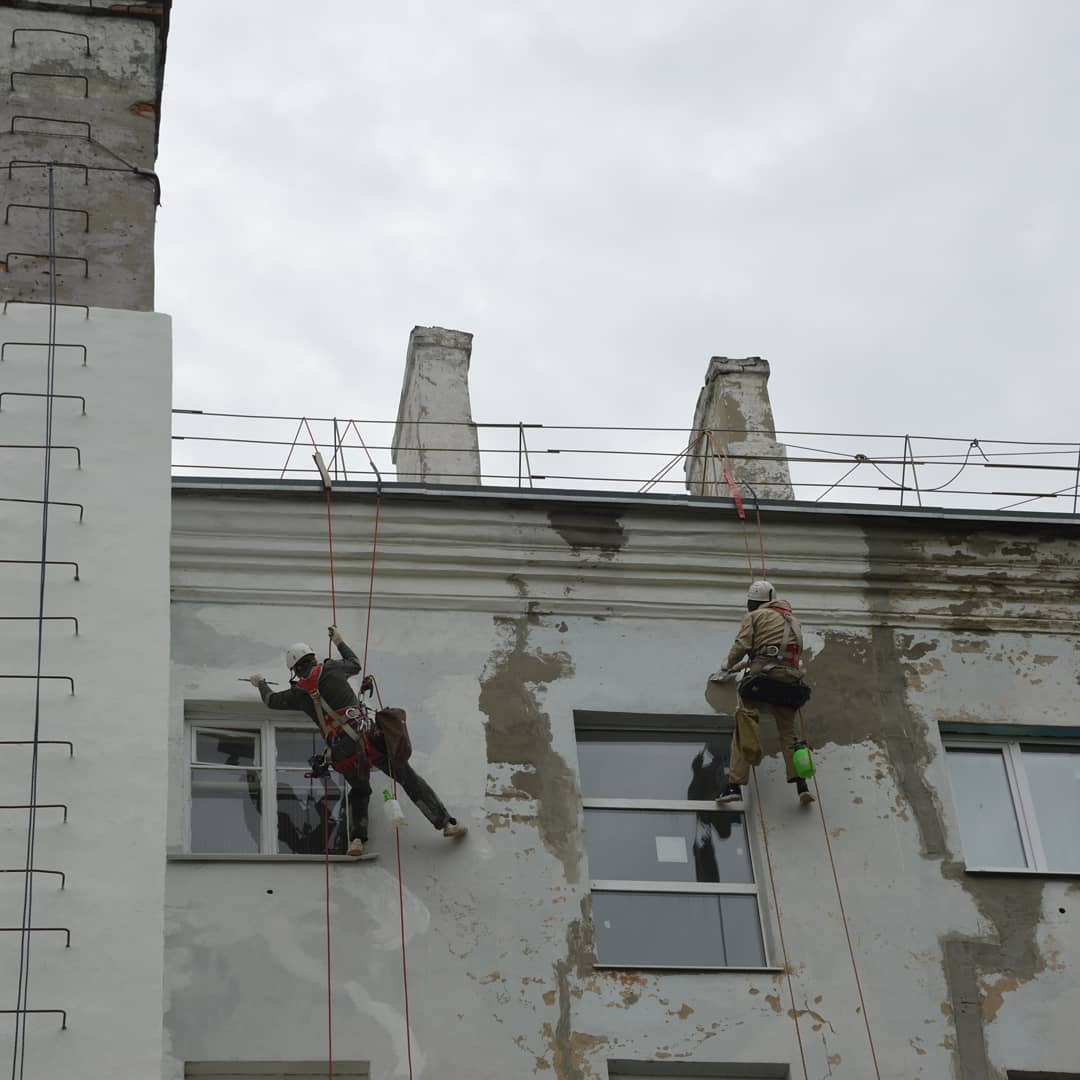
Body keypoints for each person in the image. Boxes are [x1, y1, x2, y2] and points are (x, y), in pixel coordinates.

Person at [247, 626, 466, 856]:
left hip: (343, 753)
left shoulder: (299, 693)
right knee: (406, 776)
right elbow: (354, 663)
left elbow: (271, 701)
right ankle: (446, 823)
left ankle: (357, 841)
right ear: (312, 658)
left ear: (295, 670)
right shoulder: (332, 669)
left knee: (360, 790)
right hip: (366, 737)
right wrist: (339, 641)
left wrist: (260, 682)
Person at [711, 580, 814, 807]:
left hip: (763, 678)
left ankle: (734, 786)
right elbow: (780, 653)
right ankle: (802, 785)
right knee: (789, 733)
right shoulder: (793, 621)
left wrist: (727, 665)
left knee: (745, 725)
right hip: (790, 680)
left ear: (753, 604)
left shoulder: (754, 617)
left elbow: (742, 645)